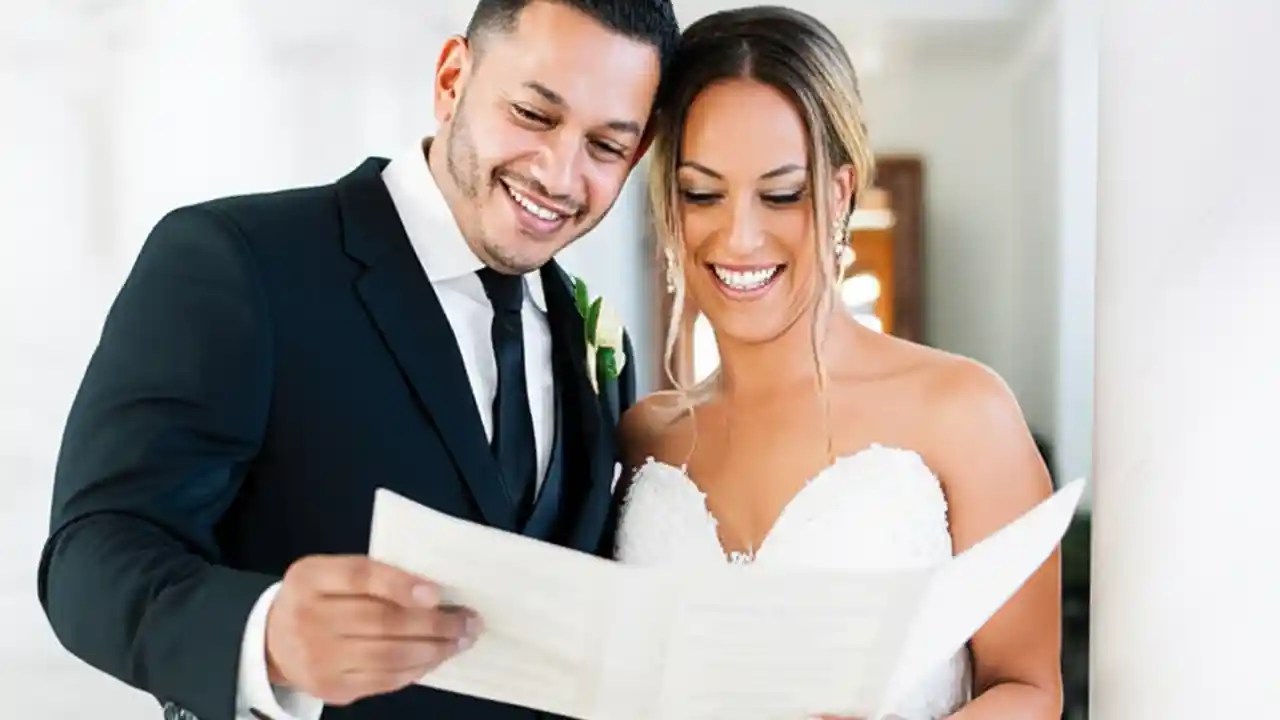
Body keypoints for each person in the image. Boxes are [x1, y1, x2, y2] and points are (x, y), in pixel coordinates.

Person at [37, 1, 678, 719]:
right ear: (451, 77)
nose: (560, 175)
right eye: (533, 114)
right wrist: (268, 634)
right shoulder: (239, 262)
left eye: (606, 146)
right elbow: (91, 556)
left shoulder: (602, 348)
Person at [614, 7, 1063, 719]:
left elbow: (1031, 689)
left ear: (840, 193)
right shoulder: (645, 437)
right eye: (702, 193)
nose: (740, 235)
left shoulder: (962, 411)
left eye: (782, 193)